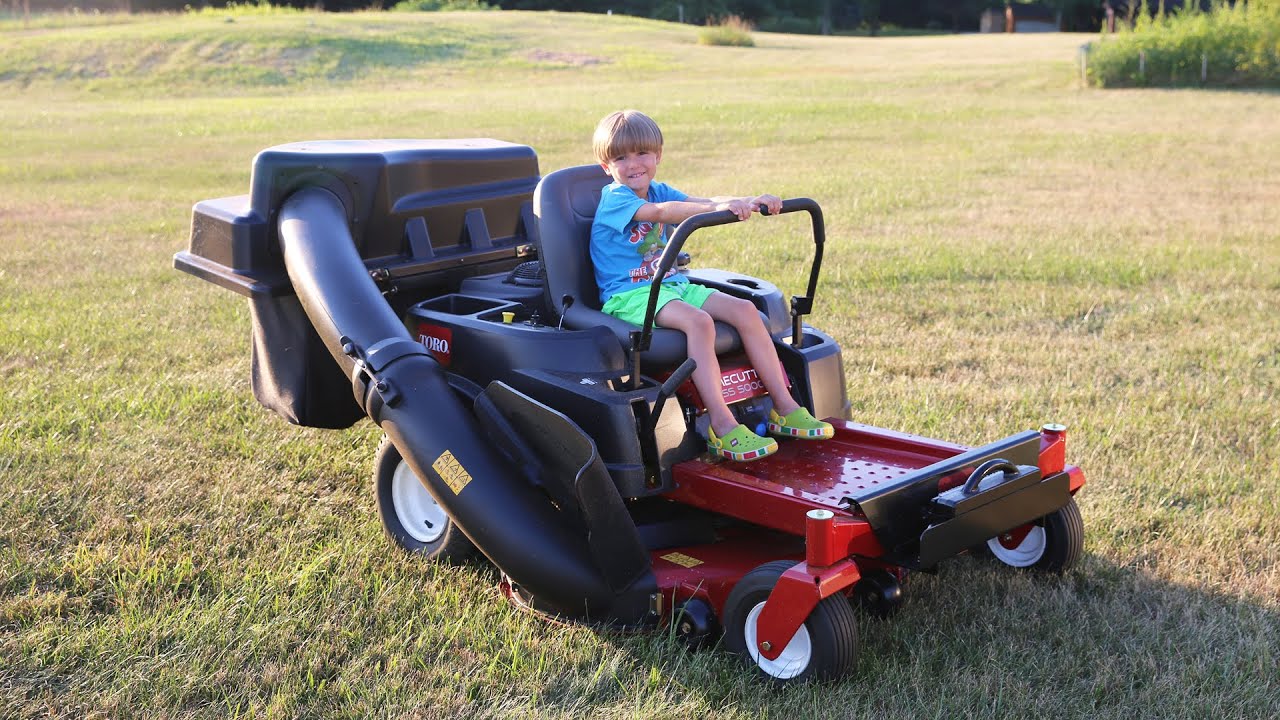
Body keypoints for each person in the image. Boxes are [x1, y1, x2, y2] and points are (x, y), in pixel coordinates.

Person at [590, 109, 833, 462]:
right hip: (629, 294)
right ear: (606, 166)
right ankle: (722, 424)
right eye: (620, 158)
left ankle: (785, 406)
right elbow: (662, 213)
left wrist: (745, 202)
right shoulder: (615, 198)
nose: (633, 164)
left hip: (670, 283)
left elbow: (697, 203)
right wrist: (714, 208)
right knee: (699, 322)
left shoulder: (657, 188)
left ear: (657, 156)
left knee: (745, 310)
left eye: (642, 154)